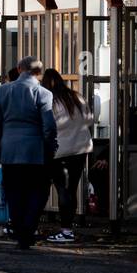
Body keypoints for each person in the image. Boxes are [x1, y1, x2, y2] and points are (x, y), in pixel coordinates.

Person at [0, 57, 58, 249]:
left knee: (14, 192)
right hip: (35, 152)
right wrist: (50, 147)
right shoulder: (43, 93)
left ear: (19, 68)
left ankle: (20, 231)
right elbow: (49, 126)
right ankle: (28, 227)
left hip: (10, 151)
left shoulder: (3, 91)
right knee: (38, 191)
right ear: (39, 72)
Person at [41, 68, 93, 243]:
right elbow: (90, 119)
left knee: (62, 189)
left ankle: (65, 231)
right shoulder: (76, 97)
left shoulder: (50, 101)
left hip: (59, 152)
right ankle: (67, 229)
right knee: (71, 189)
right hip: (80, 150)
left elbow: (46, 126)